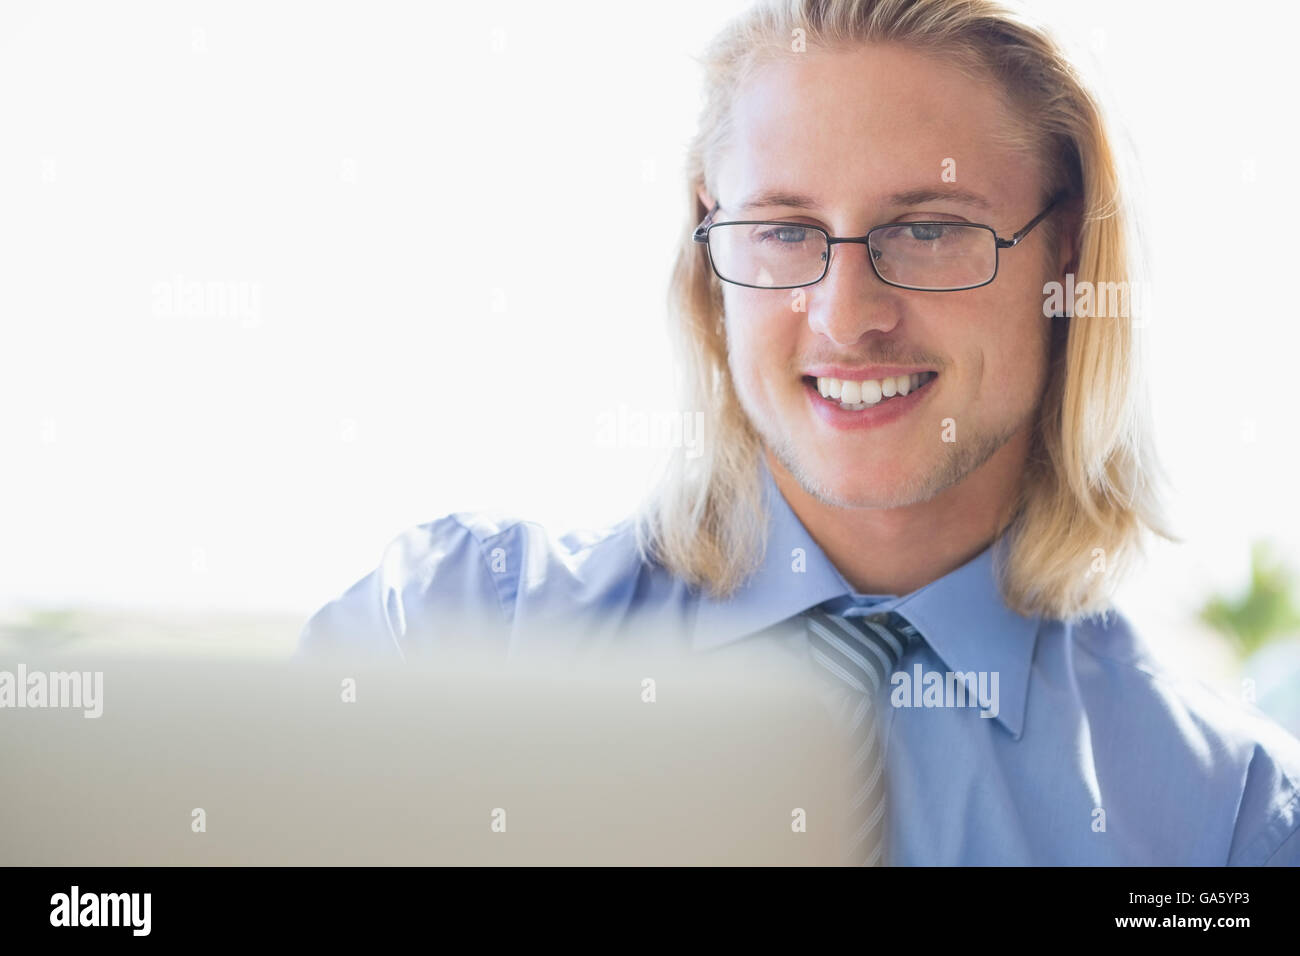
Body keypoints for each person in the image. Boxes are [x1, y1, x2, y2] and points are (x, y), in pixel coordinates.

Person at [298, 0, 1300, 865]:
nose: (845, 315)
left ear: (1065, 251)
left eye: (929, 227)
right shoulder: (451, 638)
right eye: (783, 230)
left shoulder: (1222, 820)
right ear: (707, 239)